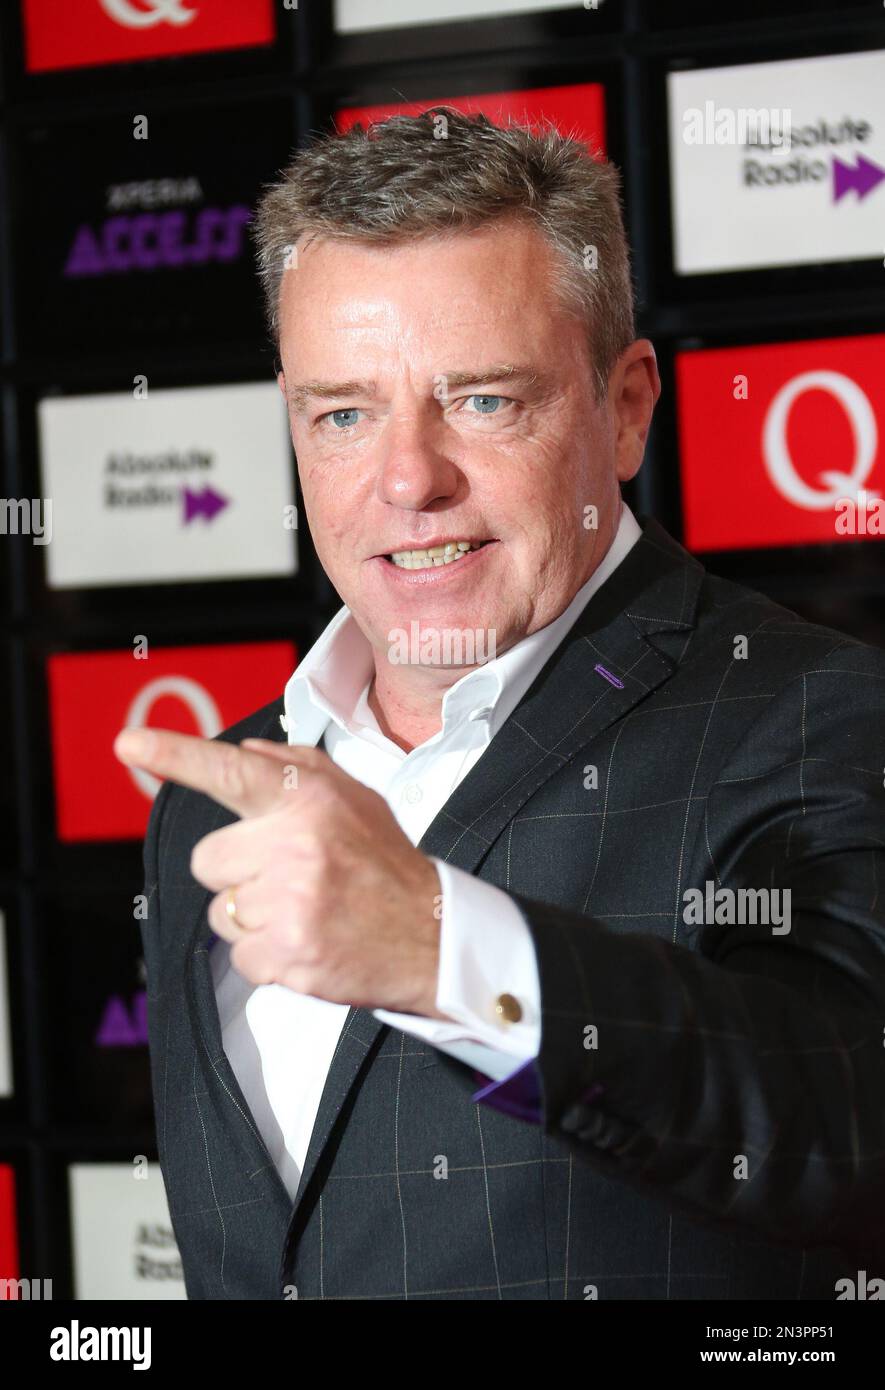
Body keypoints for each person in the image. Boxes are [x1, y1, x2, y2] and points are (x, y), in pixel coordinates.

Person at [115, 111, 885, 1300]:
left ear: (624, 408)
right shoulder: (213, 801)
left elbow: (842, 1117)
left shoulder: (819, 710)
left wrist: (437, 948)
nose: (409, 479)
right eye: (344, 413)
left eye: (481, 400)